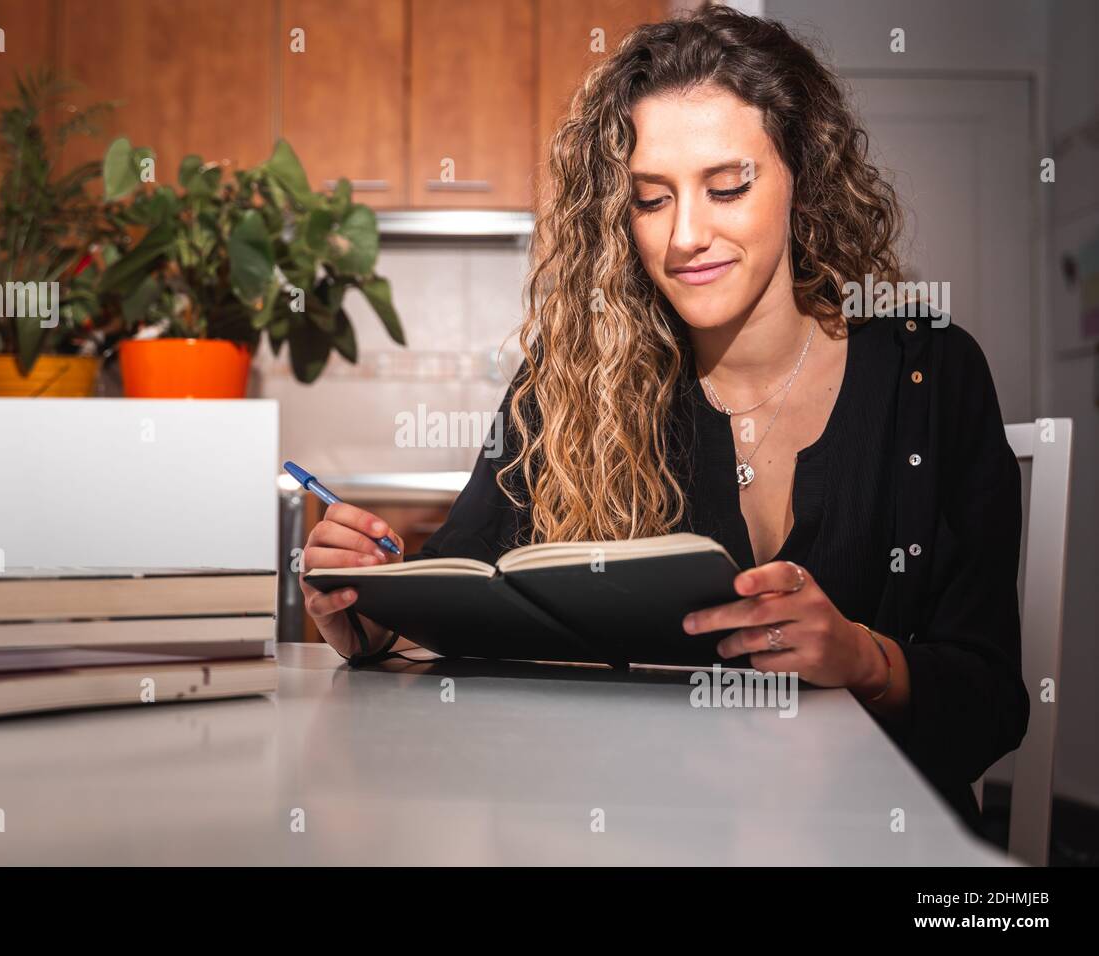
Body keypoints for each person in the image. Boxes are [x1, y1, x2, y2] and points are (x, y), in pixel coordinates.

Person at [299, 6, 1028, 835]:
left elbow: (992, 703)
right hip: (650, 831)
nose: (686, 236)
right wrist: (363, 614)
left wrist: (866, 660)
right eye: (651, 200)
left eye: (728, 187)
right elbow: (455, 616)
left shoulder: (930, 375)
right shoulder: (574, 381)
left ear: (803, 177)